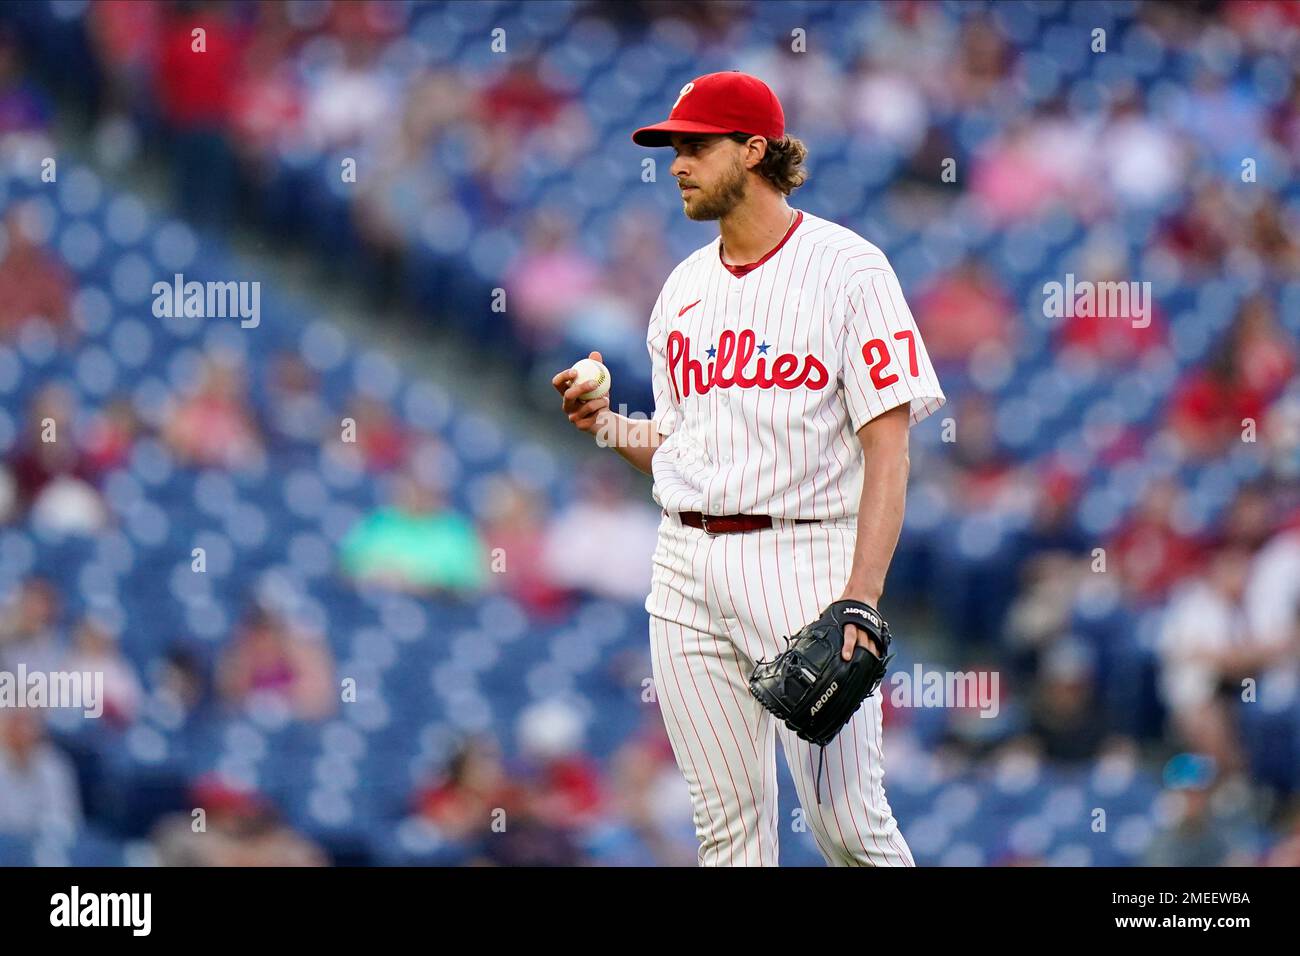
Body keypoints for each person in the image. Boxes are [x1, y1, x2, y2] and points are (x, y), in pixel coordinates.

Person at [552, 71, 945, 866]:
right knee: (728, 836)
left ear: (754, 149)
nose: (677, 164)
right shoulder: (682, 291)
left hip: (803, 563)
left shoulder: (849, 270)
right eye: (673, 149)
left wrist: (860, 599)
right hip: (685, 567)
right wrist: (606, 425)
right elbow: (680, 453)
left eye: (695, 146)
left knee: (847, 826)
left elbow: (889, 449)